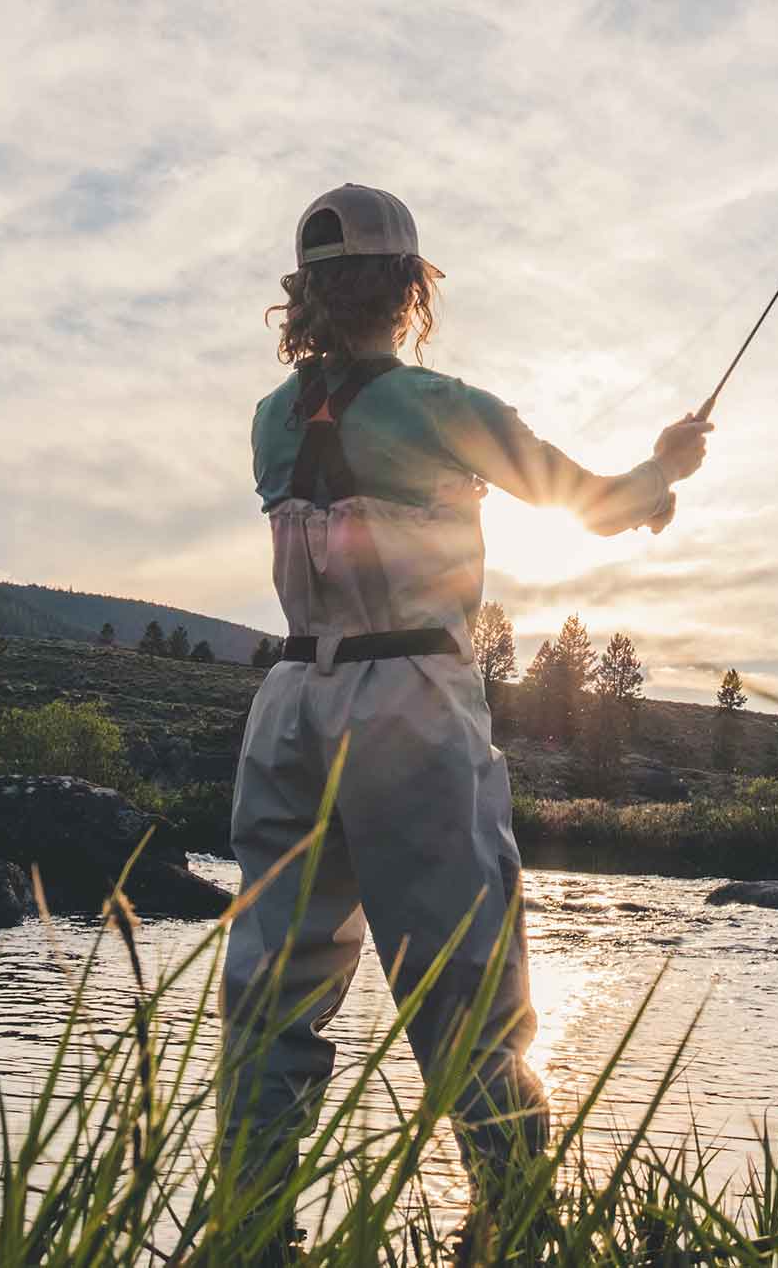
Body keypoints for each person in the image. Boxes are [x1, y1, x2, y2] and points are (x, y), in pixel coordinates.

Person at [218, 183, 711, 1223]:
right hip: (408, 705)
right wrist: (666, 469)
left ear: (302, 296)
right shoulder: (443, 408)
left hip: (286, 708)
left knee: (273, 996)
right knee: (464, 990)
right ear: (409, 288)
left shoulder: (269, 420)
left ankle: (251, 1228)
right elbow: (596, 504)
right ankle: (516, 1219)